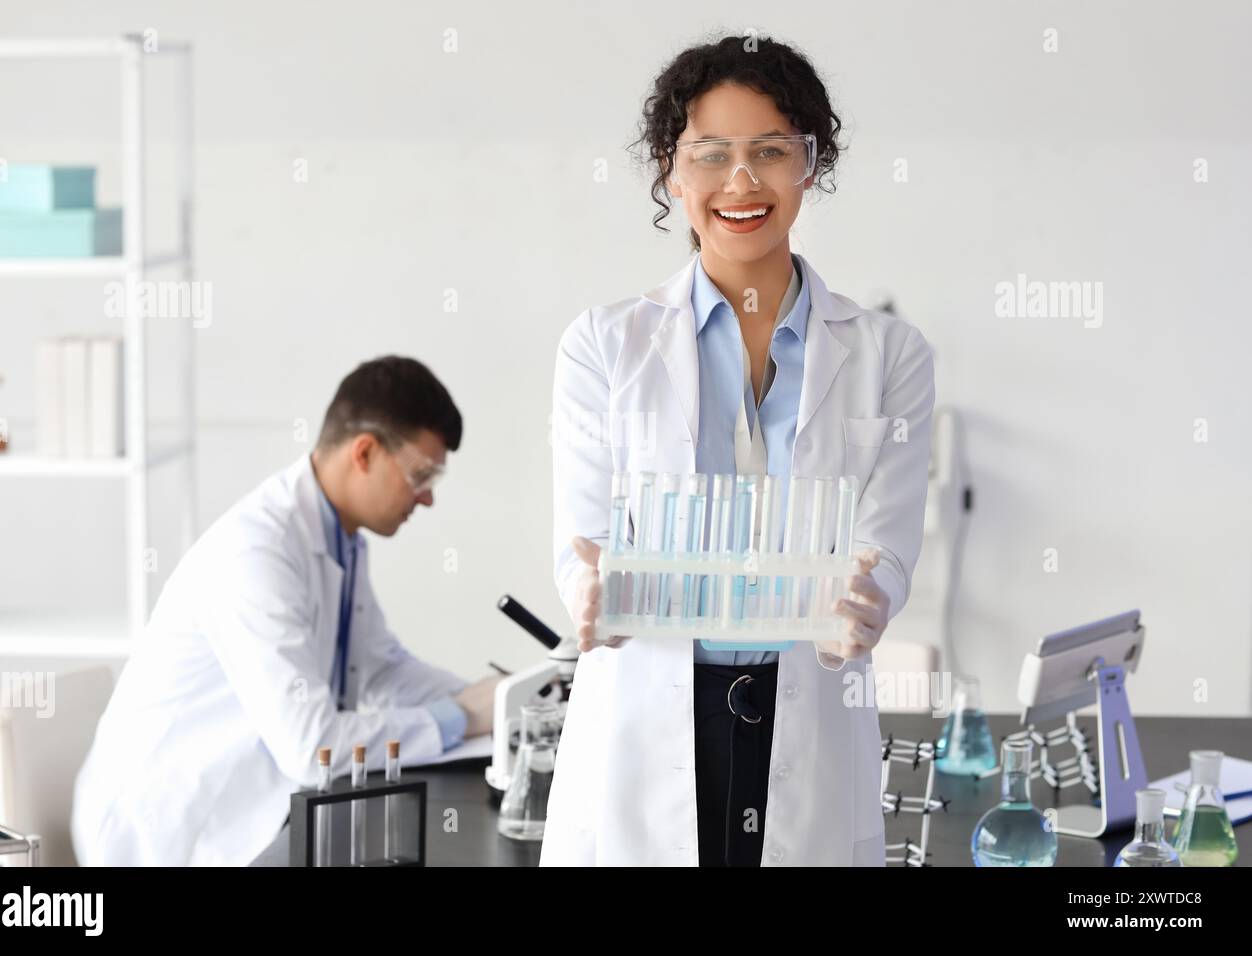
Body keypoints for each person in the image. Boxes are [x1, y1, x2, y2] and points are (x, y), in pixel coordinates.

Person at [544, 35, 935, 866]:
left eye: (770, 152)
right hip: (650, 710)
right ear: (671, 170)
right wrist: (588, 589)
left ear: (809, 164)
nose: (741, 182)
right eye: (711, 154)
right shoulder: (604, 345)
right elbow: (583, 539)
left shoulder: (890, 355)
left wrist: (875, 596)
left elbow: (889, 539)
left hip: (811, 707)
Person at [73, 356, 498, 866]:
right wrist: (460, 716)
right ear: (365, 452)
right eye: (421, 474)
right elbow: (312, 746)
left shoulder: (339, 538)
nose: (427, 499)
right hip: (163, 837)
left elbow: (381, 668)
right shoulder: (255, 553)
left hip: (256, 814)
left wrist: (498, 700)